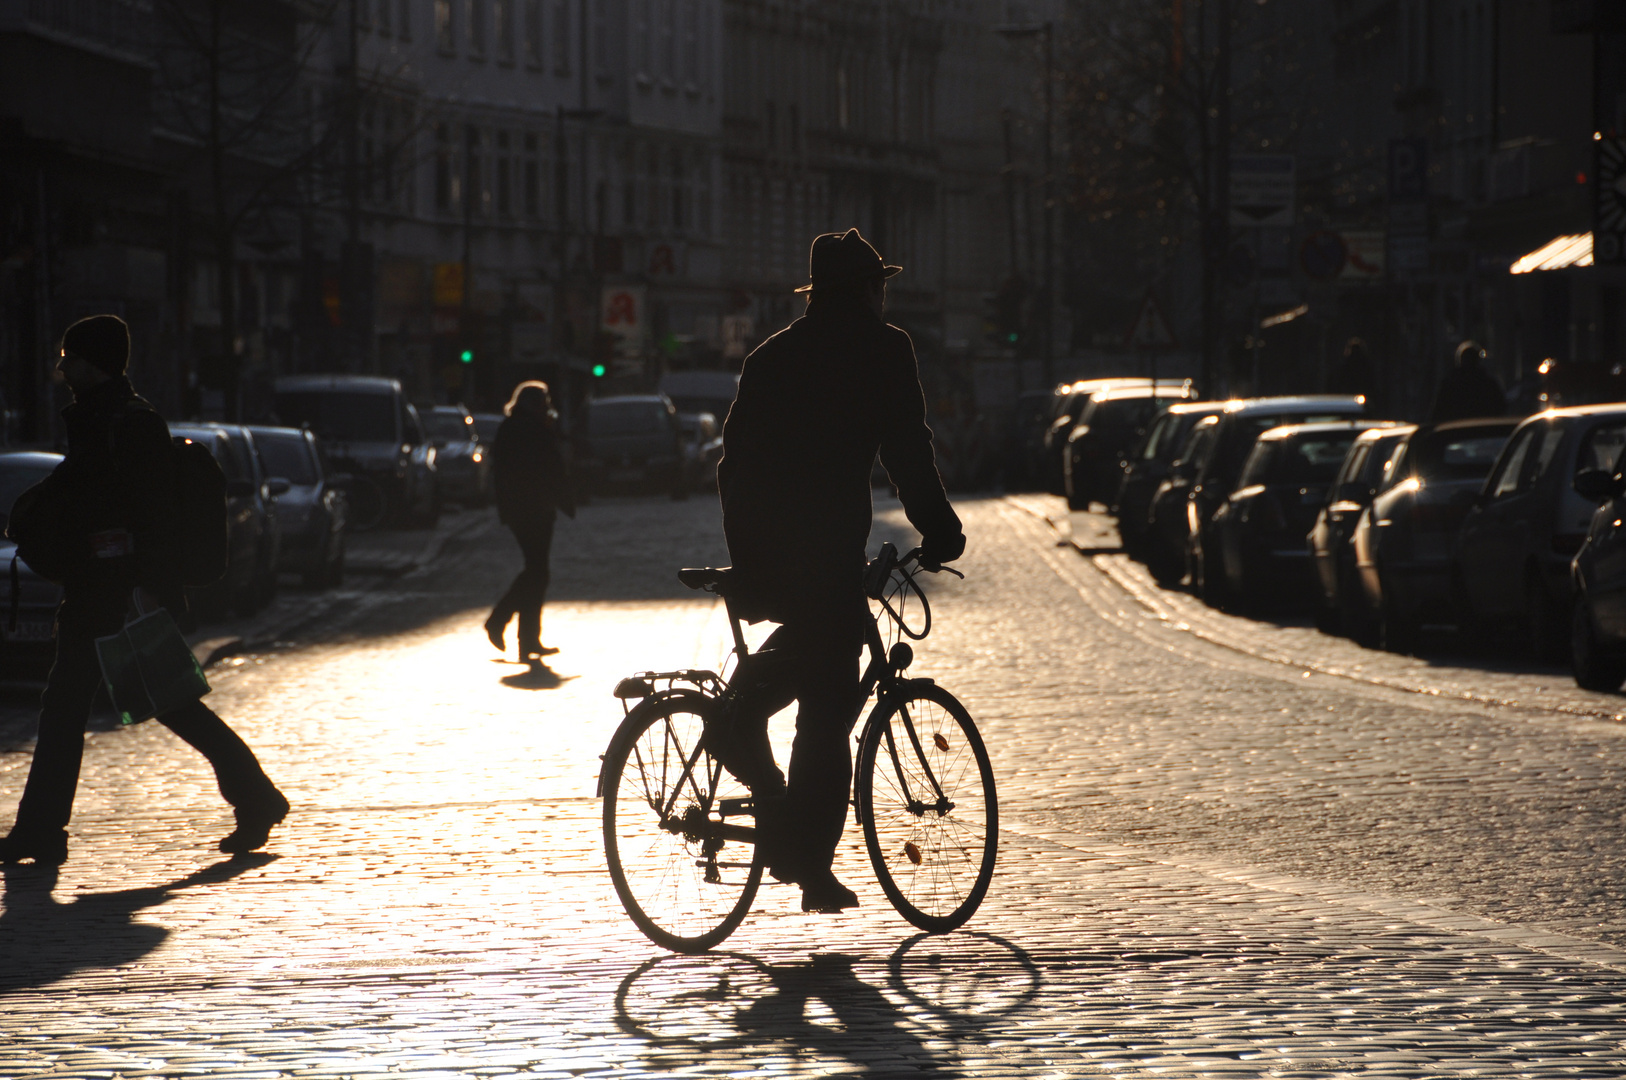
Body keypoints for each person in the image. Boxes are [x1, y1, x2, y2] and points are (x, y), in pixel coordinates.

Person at [711, 228, 965, 913]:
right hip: (824, 560)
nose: (885, 298)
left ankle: (746, 757)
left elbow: (733, 461)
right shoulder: (883, 351)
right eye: (880, 286)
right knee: (825, 720)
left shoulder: (772, 358)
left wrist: (749, 553)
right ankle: (805, 862)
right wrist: (940, 531)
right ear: (866, 291)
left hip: (772, 554)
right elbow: (908, 451)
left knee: (794, 681)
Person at [0, 315, 289, 866]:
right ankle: (41, 830)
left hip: (124, 595)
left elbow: (153, 518)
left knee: (164, 704)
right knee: (72, 708)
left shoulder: (130, 424)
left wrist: (149, 591)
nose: (62, 368)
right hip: (95, 592)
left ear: (96, 363)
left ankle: (256, 797)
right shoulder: (97, 420)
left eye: (71, 358)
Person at [485, 380, 575, 661]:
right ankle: (501, 621)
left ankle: (528, 640)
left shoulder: (514, 427)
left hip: (524, 509)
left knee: (537, 571)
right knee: (536, 571)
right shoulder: (530, 429)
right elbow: (548, 467)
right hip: (532, 509)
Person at [1430, 340, 1506, 422]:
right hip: (1483, 430)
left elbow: (1438, 412)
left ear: (1460, 361)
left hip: (1455, 430)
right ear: (1478, 361)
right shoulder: (1489, 385)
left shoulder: (1450, 385)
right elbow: (1501, 409)